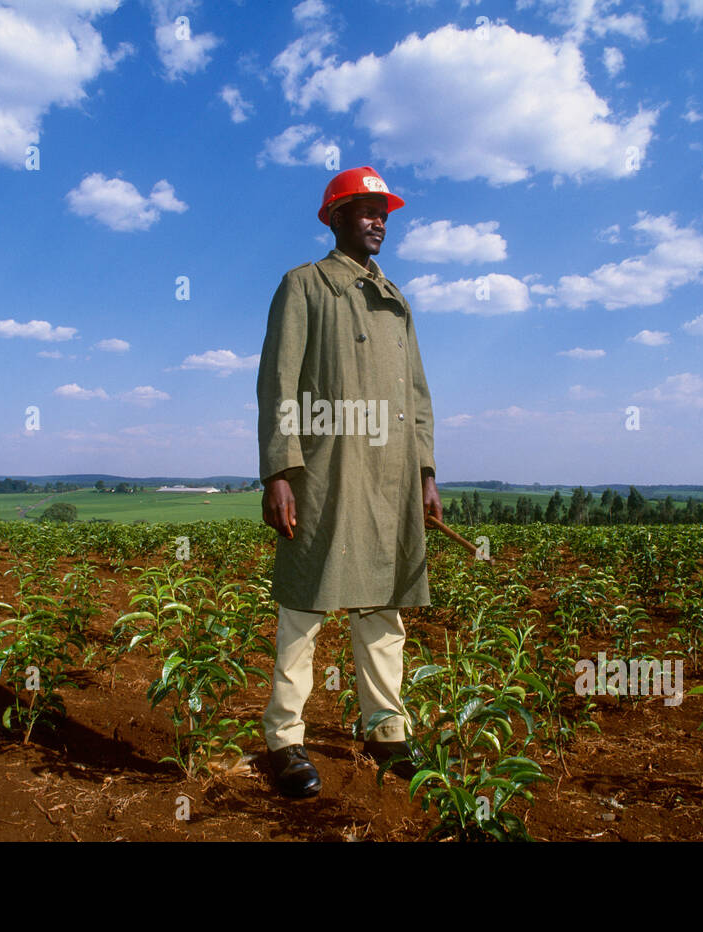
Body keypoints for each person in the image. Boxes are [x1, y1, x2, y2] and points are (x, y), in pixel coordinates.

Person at [255, 166, 443, 798]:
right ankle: (284, 738)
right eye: (364, 210)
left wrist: (426, 472)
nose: (378, 220)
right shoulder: (305, 286)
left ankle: (386, 729)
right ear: (333, 217)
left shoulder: (397, 301)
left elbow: (417, 397)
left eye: (383, 210)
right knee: (304, 605)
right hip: (325, 473)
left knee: (382, 605)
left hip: (391, 478)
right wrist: (280, 471)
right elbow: (279, 385)